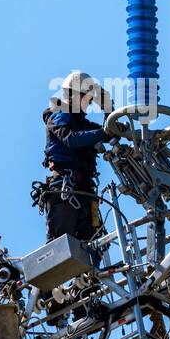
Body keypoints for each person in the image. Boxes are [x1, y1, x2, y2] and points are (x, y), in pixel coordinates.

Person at [37, 71, 111, 243]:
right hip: (65, 190)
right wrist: (103, 132)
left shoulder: (83, 124)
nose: (89, 102)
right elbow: (71, 139)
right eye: (86, 97)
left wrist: (108, 109)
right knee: (62, 247)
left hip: (84, 192)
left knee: (93, 248)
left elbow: (107, 130)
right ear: (72, 95)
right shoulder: (58, 115)